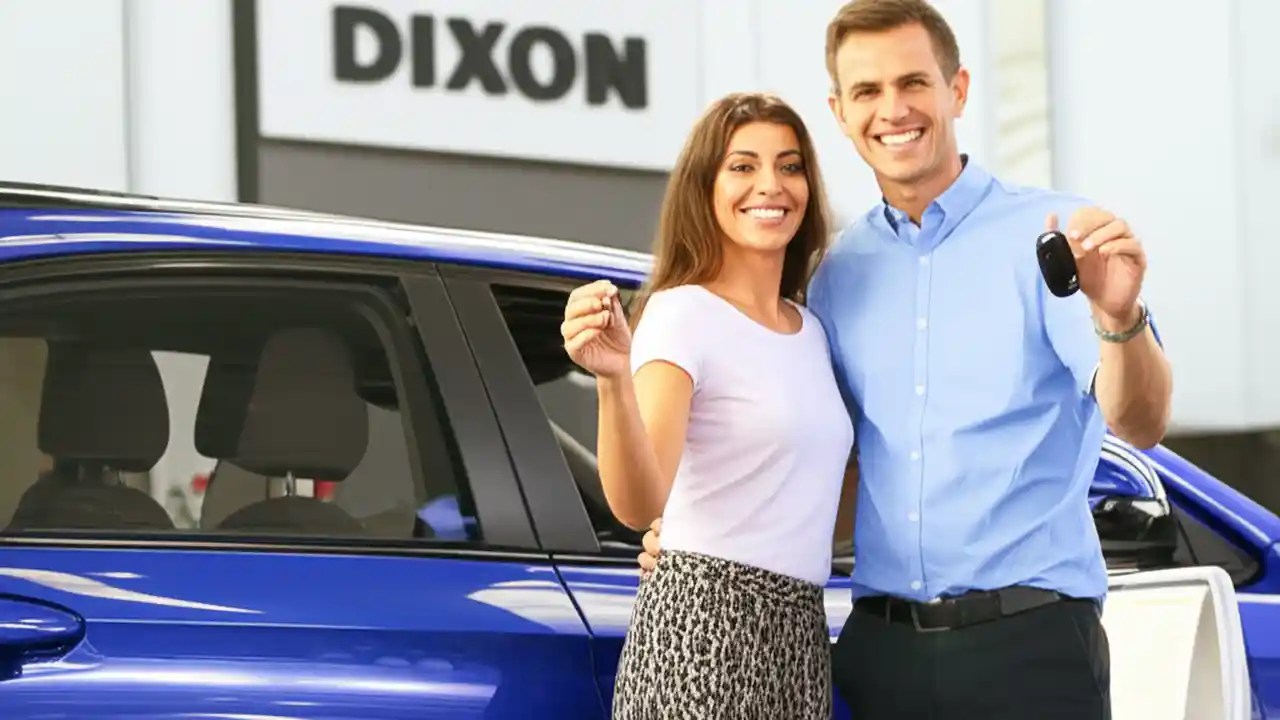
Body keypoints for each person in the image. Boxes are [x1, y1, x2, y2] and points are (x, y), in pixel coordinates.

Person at [635, 1, 1174, 718]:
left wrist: (1119, 318)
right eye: (867, 90)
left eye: (913, 82)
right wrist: (700, 540)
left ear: (958, 90)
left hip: (1030, 645)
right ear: (839, 112)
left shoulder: (1054, 237)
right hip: (881, 656)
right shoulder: (833, 277)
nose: (892, 109)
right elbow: (816, 463)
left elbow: (1140, 422)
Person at [560, 92, 858, 719]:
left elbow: (811, 499)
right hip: (703, 628)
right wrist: (613, 380)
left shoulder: (812, 330)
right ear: (705, 187)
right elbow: (638, 503)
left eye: (790, 165)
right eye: (743, 166)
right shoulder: (683, 314)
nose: (770, 185)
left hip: (800, 635)